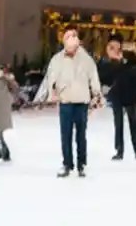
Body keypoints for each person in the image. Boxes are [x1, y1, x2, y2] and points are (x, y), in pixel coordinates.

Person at [36, 27, 102, 177]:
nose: (71, 40)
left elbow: (94, 77)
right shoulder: (57, 59)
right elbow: (50, 78)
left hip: (82, 102)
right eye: (68, 37)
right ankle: (67, 164)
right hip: (65, 101)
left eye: (73, 37)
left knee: (81, 135)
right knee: (65, 135)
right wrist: (52, 92)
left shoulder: (86, 59)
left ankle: (81, 164)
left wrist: (96, 94)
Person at [109, 51, 136, 160]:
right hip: (130, 99)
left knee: (119, 125)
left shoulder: (119, 68)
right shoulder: (135, 70)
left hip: (119, 98)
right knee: (132, 124)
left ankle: (120, 150)